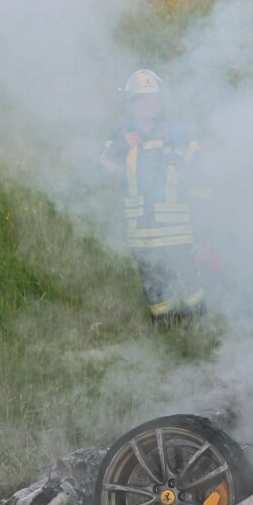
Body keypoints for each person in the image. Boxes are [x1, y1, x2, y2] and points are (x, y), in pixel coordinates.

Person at [100, 69, 205, 321]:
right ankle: (165, 327)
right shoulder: (122, 137)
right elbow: (103, 169)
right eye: (144, 99)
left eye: (155, 98)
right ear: (132, 104)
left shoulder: (176, 132)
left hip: (177, 228)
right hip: (141, 232)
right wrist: (122, 146)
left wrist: (204, 216)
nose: (151, 104)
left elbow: (200, 169)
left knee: (187, 279)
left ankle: (200, 326)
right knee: (153, 283)